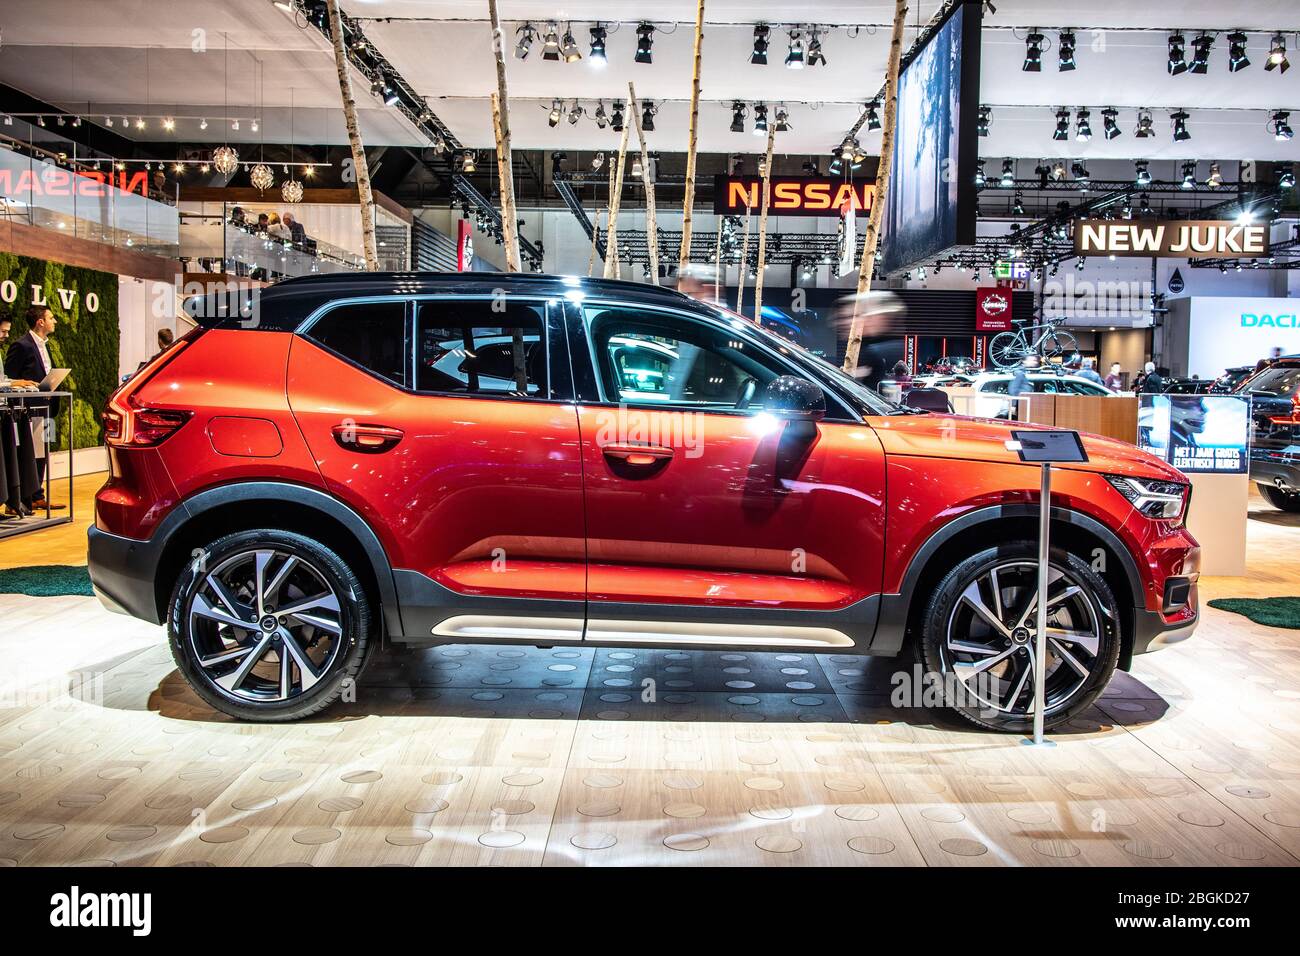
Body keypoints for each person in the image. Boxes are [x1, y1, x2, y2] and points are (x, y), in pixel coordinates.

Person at [3, 305, 65, 510]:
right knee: (30, 452)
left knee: (43, 452)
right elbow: (9, 378)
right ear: (40, 322)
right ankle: (24, 497)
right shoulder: (21, 345)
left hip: (47, 408)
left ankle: (38, 494)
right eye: (51, 317)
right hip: (28, 411)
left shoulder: (46, 345)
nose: (54, 321)